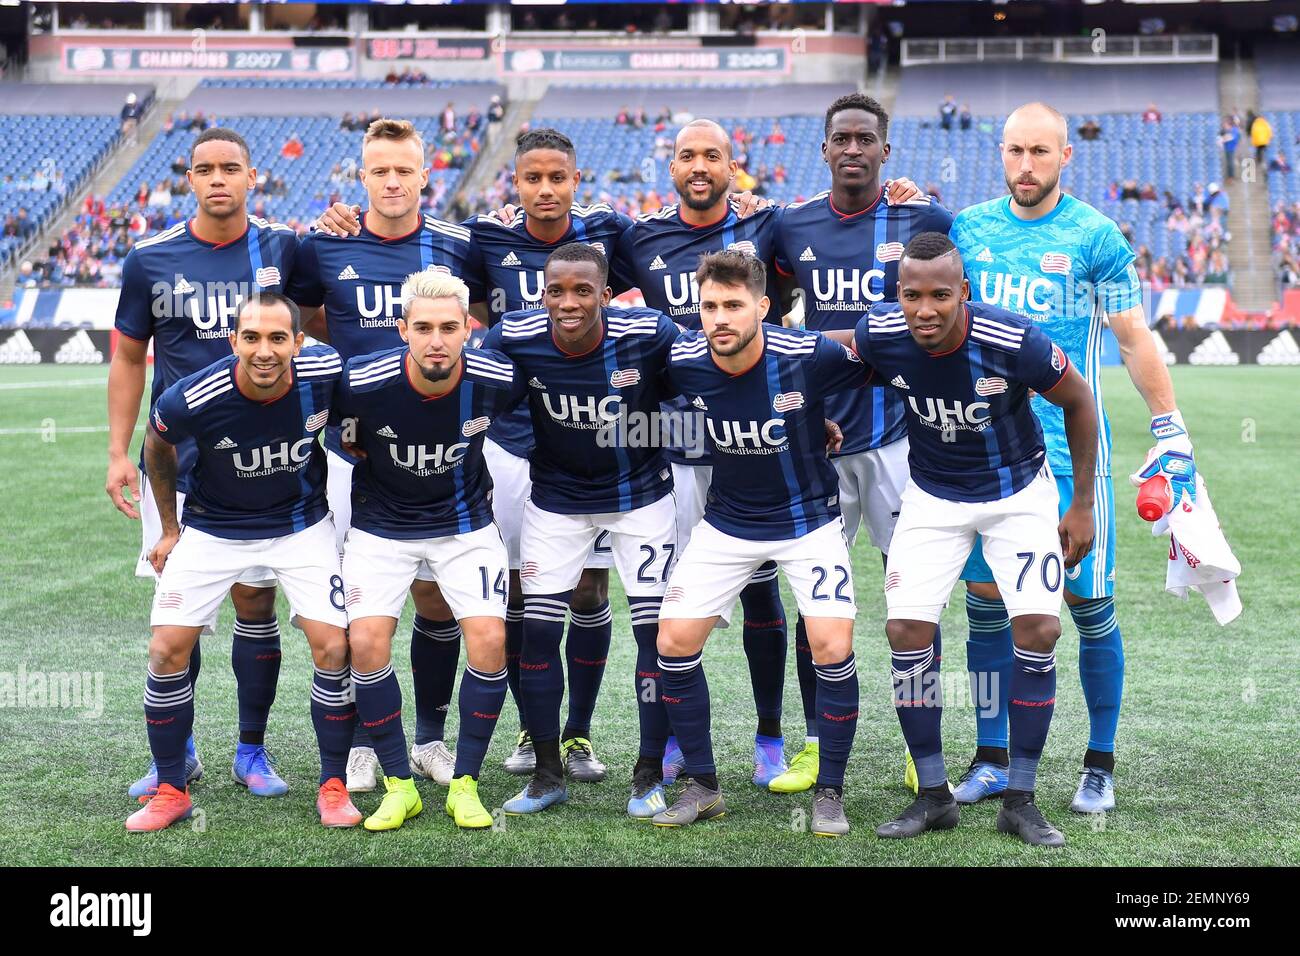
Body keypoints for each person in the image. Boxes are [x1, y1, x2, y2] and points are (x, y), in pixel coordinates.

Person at [949, 101, 1199, 813]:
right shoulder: (969, 229)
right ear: (1000, 154)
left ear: (1066, 157)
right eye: (1014, 151)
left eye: (1040, 152)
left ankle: (1099, 761)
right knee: (987, 608)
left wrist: (1169, 425)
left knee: (1089, 604)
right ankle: (991, 755)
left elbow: (1133, 337)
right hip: (982, 458)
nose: (1025, 166)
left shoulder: (1095, 235)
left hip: (1068, 460)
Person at [847, 233, 1099, 846]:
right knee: (906, 632)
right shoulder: (880, 334)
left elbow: (1080, 400)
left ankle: (1021, 796)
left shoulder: (1012, 339)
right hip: (932, 497)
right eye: (912, 295)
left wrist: (1083, 503)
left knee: (1039, 630)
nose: (925, 309)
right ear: (897, 294)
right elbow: (828, 363)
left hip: (1017, 496)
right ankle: (933, 796)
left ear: (964, 291)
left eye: (940, 295)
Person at [107, 127, 301, 802]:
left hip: (263, 467)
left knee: (255, 603)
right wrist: (115, 452)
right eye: (203, 169)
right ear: (187, 180)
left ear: (254, 177)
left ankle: (252, 749)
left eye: (230, 169)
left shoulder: (283, 247)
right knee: (176, 619)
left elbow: (319, 331)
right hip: (176, 467)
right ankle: (179, 753)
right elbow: (130, 357)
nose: (217, 179)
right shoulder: (149, 259)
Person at [284, 118, 477, 792]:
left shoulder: (457, 245)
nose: (392, 182)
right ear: (360, 177)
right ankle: (368, 741)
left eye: (404, 170)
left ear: (426, 175)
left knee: (435, 597)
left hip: (439, 452)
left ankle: (428, 738)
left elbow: (477, 320)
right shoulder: (323, 247)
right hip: (349, 452)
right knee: (358, 605)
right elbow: (307, 321)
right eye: (379, 171)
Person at [769, 92, 952, 795]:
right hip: (817, 439)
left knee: (914, 601)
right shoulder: (793, 226)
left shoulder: (922, 218)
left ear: (885, 150)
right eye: (840, 138)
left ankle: (920, 749)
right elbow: (757, 298)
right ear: (824, 149)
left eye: (864, 139)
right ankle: (816, 745)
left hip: (899, 438)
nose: (852, 148)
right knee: (816, 603)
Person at [651, 251, 869, 836]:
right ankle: (703, 784)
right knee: (672, 641)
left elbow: (881, 358)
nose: (719, 318)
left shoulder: (807, 355)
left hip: (808, 520)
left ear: (763, 308)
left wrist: (821, 425)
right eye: (710, 307)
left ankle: (830, 791)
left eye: (733, 306)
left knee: (829, 643)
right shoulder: (686, 360)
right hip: (727, 522)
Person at [125, 294, 359, 832]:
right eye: (251, 337)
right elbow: (157, 448)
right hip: (213, 528)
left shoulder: (325, 372)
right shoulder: (195, 395)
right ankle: (170, 788)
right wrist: (168, 528)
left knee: (333, 644)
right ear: (233, 342)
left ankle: (332, 785)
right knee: (165, 649)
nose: (264, 350)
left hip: (301, 526)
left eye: (278, 338)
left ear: (299, 343)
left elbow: (367, 405)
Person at [482, 243, 682, 818]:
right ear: (542, 293)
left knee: (657, 640)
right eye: (556, 291)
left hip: (640, 500)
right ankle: (547, 772)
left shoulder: (649, 334)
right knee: (539, 636)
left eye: (582, 291)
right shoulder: (516, 337)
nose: (568, 303)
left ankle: (648, 773)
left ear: (605, 295)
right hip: (556, 503)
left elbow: (708, 377)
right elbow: (467, 391)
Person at [335, 270, 522, 830]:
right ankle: (399, 783)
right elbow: (341, 438)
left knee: (489, 639)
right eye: (422, 328)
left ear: (469, 328)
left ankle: (465, 782)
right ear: (402, 330)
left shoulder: (497, 378)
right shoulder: (361, 383)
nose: (435, 340)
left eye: (447, 327)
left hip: (464, 522)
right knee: (365, 640)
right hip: (381, 524)